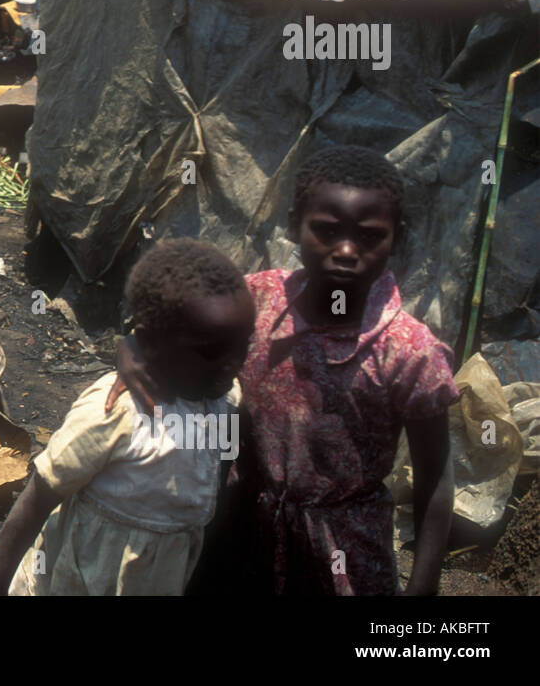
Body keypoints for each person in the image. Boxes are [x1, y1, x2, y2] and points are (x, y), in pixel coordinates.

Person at [118, 145, 459, 595]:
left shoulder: (409, 351)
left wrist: (424, 583)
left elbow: (434, 473)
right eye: (327, 231)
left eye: (370, 237)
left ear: (397, 239)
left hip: (344, 547)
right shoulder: (257, 300)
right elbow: (171, 323)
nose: (346, 250)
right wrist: (132, 347)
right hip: (240, 524)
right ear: (295, 223)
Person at [0, 239, 254, 596]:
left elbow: (217, 476)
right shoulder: (115, 411)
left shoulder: (225, 401)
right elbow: (38, 498)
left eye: (243, 345)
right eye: (212, 351)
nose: (233, 362)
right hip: (81, 578)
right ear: (150, 342)